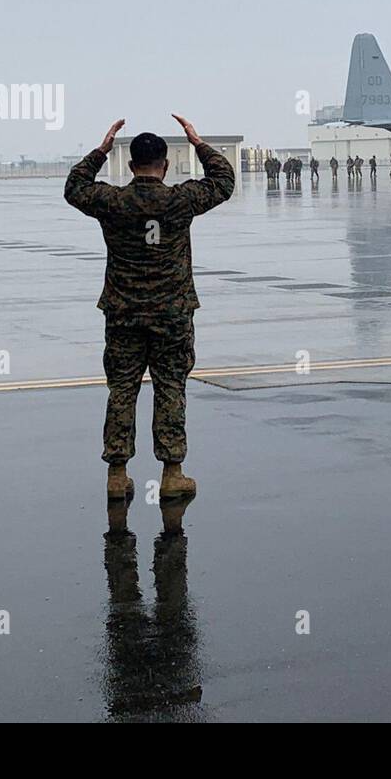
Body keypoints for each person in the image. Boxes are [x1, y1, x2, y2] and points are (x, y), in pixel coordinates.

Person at [64, 115, 235, 500]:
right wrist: (199, 143)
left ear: (129, 165)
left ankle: (116, 473)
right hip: (171, 314)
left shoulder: (112, 201)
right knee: (170, 387)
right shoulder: (180, 200)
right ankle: (172, 472)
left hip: (124, 314)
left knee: (122, 389)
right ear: (166, 164)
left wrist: (100, 150)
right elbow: (223, 181)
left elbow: (74, 187)